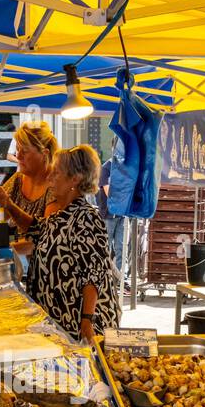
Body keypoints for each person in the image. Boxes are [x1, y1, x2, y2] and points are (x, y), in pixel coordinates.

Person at [31, 145, 120, 342]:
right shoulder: (61, 216)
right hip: (61, 321)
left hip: (83, 325)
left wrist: (86, 321)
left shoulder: (86, 218)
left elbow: (94, 273)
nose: (49, 178)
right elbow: (35, 229)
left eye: (56, 173)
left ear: (75, 179)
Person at [0, 121, 58, 296]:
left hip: (56, 277)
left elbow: (44, 238)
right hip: (31, 275)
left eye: (24, 151)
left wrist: (6, 250)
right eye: (17, 149)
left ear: (44, 154)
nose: (17, 155)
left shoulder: (56, 185)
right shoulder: (18, 179)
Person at [97, 157, 126, 282]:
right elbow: (109, 192)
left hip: (122, 213)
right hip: (108, 214)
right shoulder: (106, 168)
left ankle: (119, 279)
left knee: (121, 247)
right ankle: (105, 278)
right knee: (106, 247)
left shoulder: (124, 168)